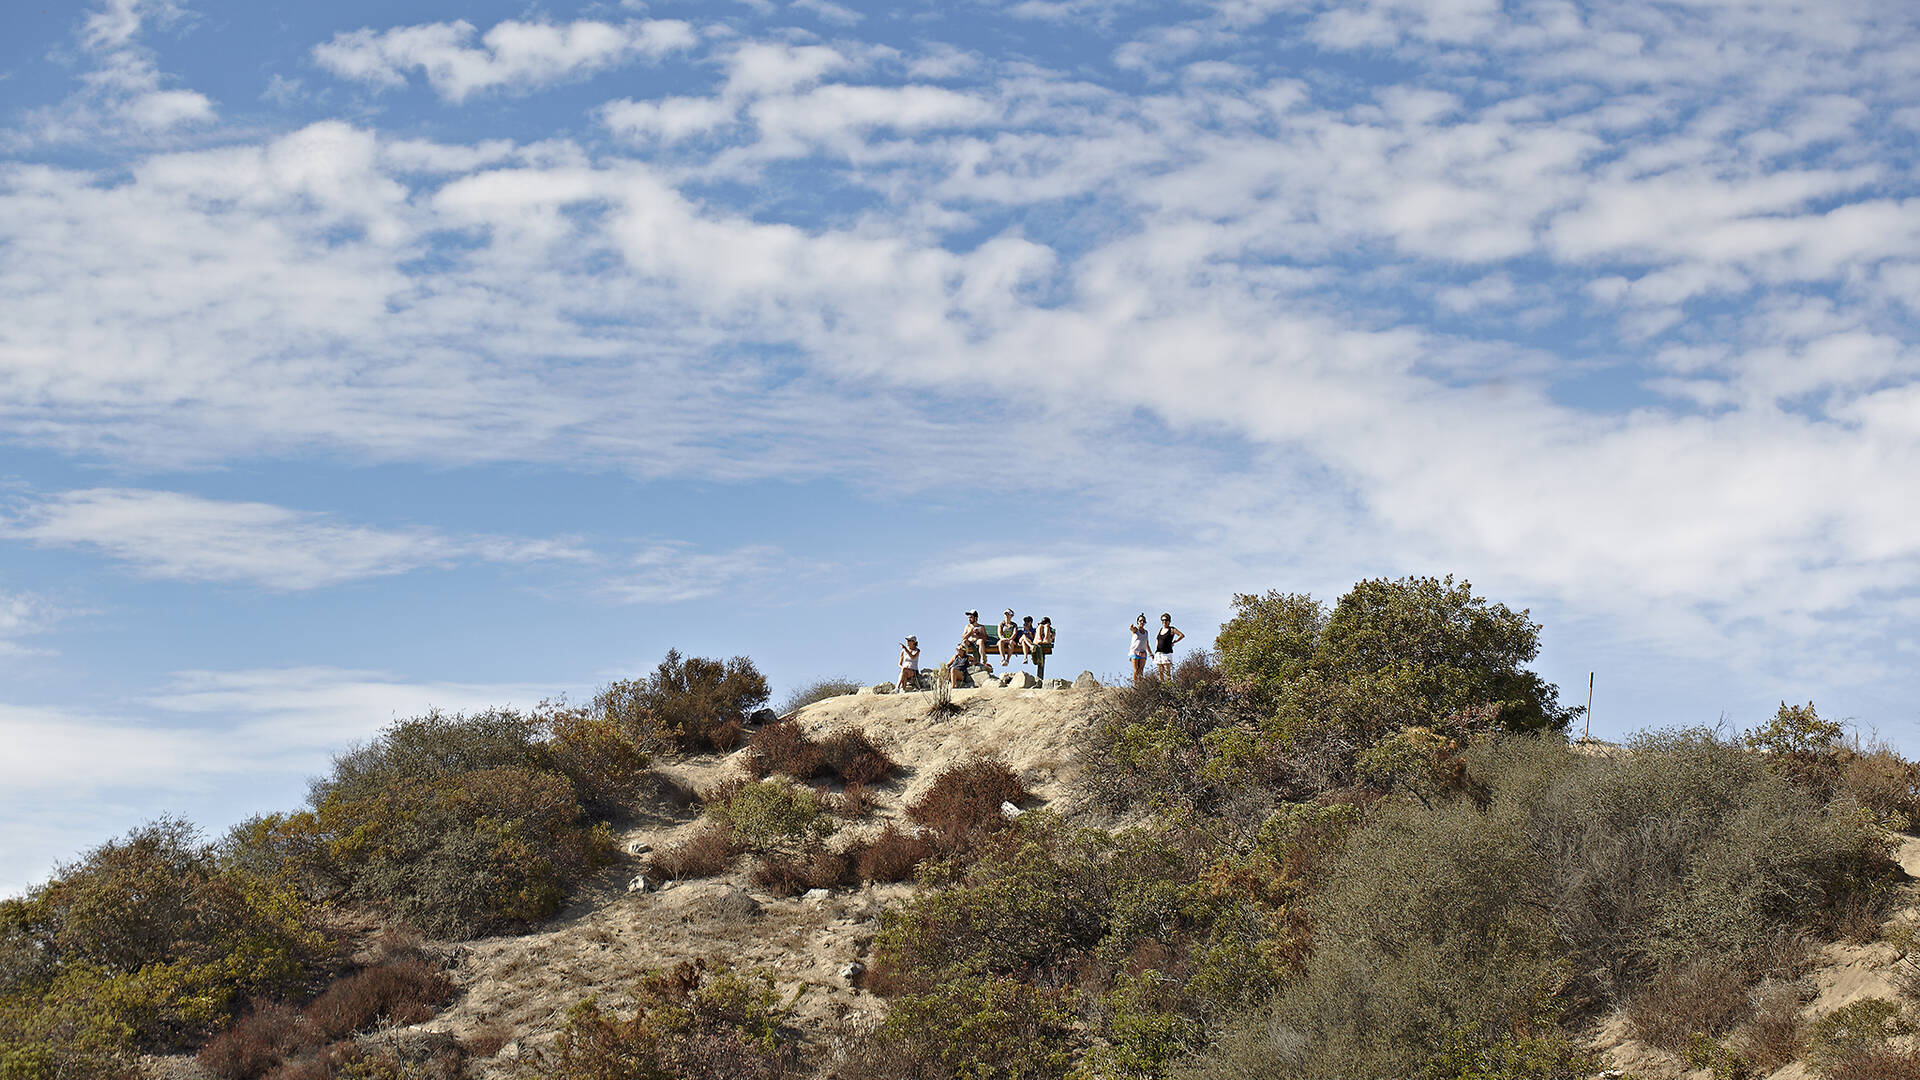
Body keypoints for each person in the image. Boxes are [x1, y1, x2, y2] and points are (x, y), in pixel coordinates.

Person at [1153, 613, 1185, 681]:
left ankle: (1168, 687)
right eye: (1163, 620)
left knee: (1167, 672)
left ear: (1169, 621)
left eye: (1166, 620)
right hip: (1159, 653)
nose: (1164, 621)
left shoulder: (1172, 629)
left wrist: (1174, 642)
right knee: (1160, 672)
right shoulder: (1160, 630)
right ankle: (1162, 688)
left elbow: (1181, 635)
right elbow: (1157, 639)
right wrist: (1156, 649)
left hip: (1167, 653)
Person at [1128, 614, 1151, 684]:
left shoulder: (1146, 632)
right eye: (1140, 620)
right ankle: (1135, 684)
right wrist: (1131, 627)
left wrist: (1151, 653)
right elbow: (1132, 629)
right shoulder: (1136, 630)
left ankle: (1140, 684)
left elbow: (1147, 644)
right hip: (1134, 652)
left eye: (1143, 621)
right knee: (1136, 670)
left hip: (1143, 652)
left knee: (1141, 670)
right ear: (1137, 622)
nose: (1142, 622)